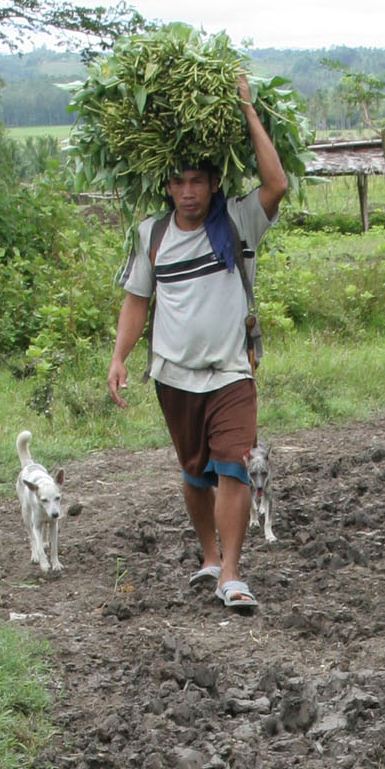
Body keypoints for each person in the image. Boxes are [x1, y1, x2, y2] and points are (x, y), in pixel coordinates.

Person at [108, 71, 289, 613]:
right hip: (173, 375)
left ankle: (232, 573)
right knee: (194, 472)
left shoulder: (237, 222)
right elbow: (137, 300)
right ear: (167, 187)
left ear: (213, 185)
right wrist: (118, 357)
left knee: (234, 464)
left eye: (198, 181)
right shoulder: (152, 235)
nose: (188, 191)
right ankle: (210, 557)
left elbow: (277, 184)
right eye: (178, 182)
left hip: (231, 370)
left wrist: (248, 111)